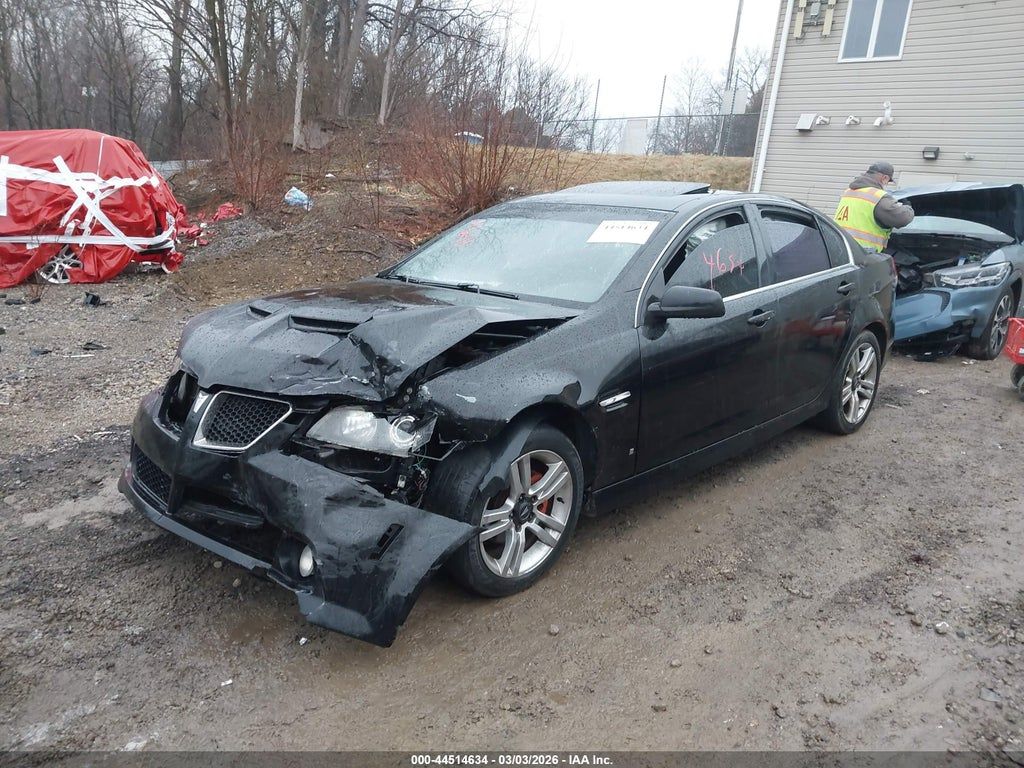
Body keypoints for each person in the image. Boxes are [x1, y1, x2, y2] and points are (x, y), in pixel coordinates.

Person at [834, 161, 914, 252]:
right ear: (884, 178)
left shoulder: (849, 192)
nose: (886, 184)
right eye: (888, 181)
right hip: (862, 253)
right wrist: (908, 207)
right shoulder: (877, 197)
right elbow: (902, 218)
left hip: (840, 249)